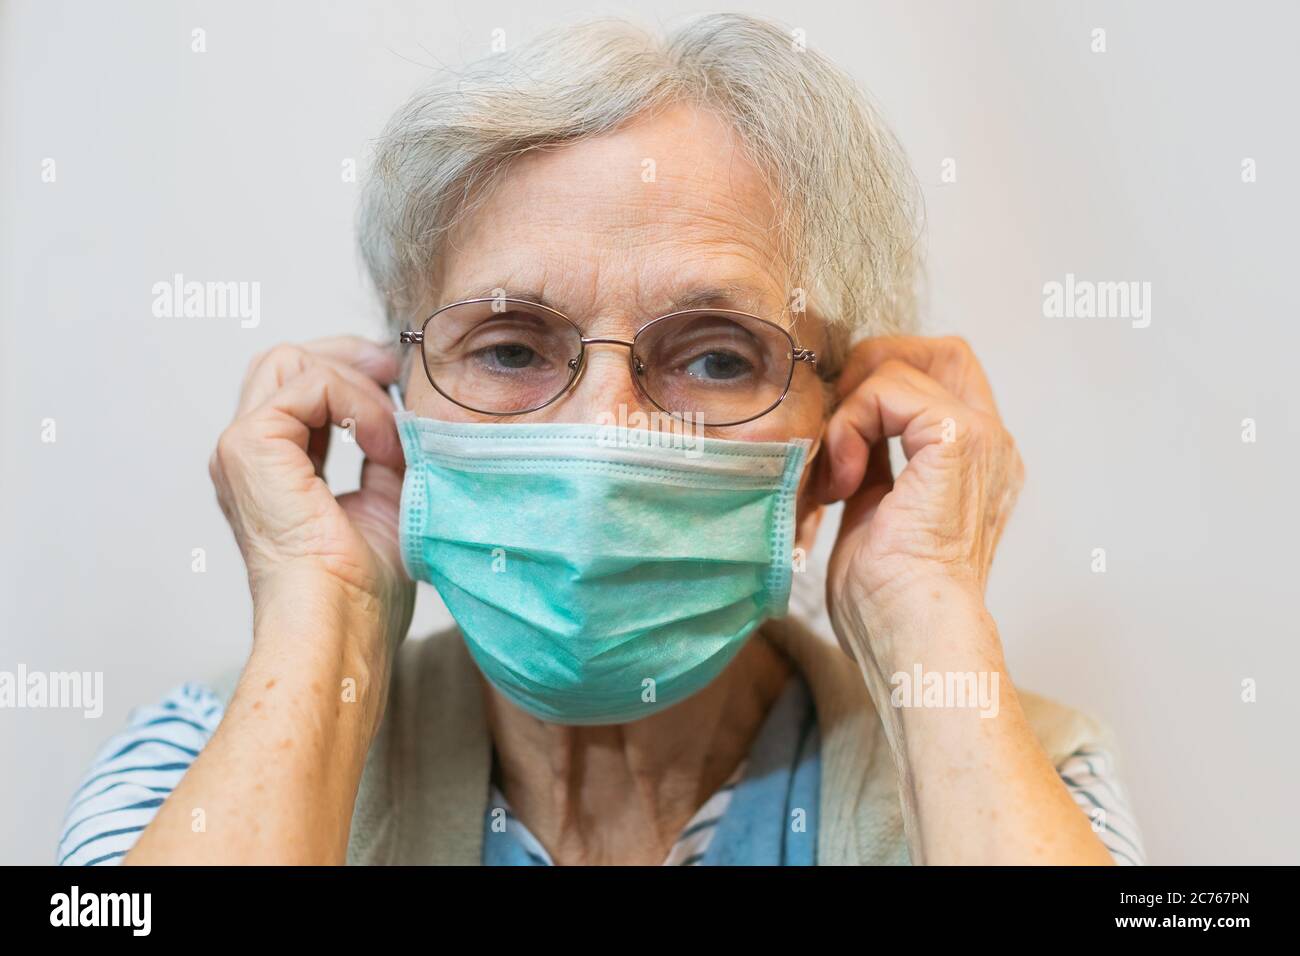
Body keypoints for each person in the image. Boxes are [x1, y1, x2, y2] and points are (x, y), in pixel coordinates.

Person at [57, 13, 1144, 866]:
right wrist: (322, 622)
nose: (603, 431)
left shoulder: (1034, 772)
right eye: (511, 346)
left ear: (838, 434)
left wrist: (928, 622)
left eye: (718, 355)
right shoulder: (191, 760)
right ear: (395, 405)